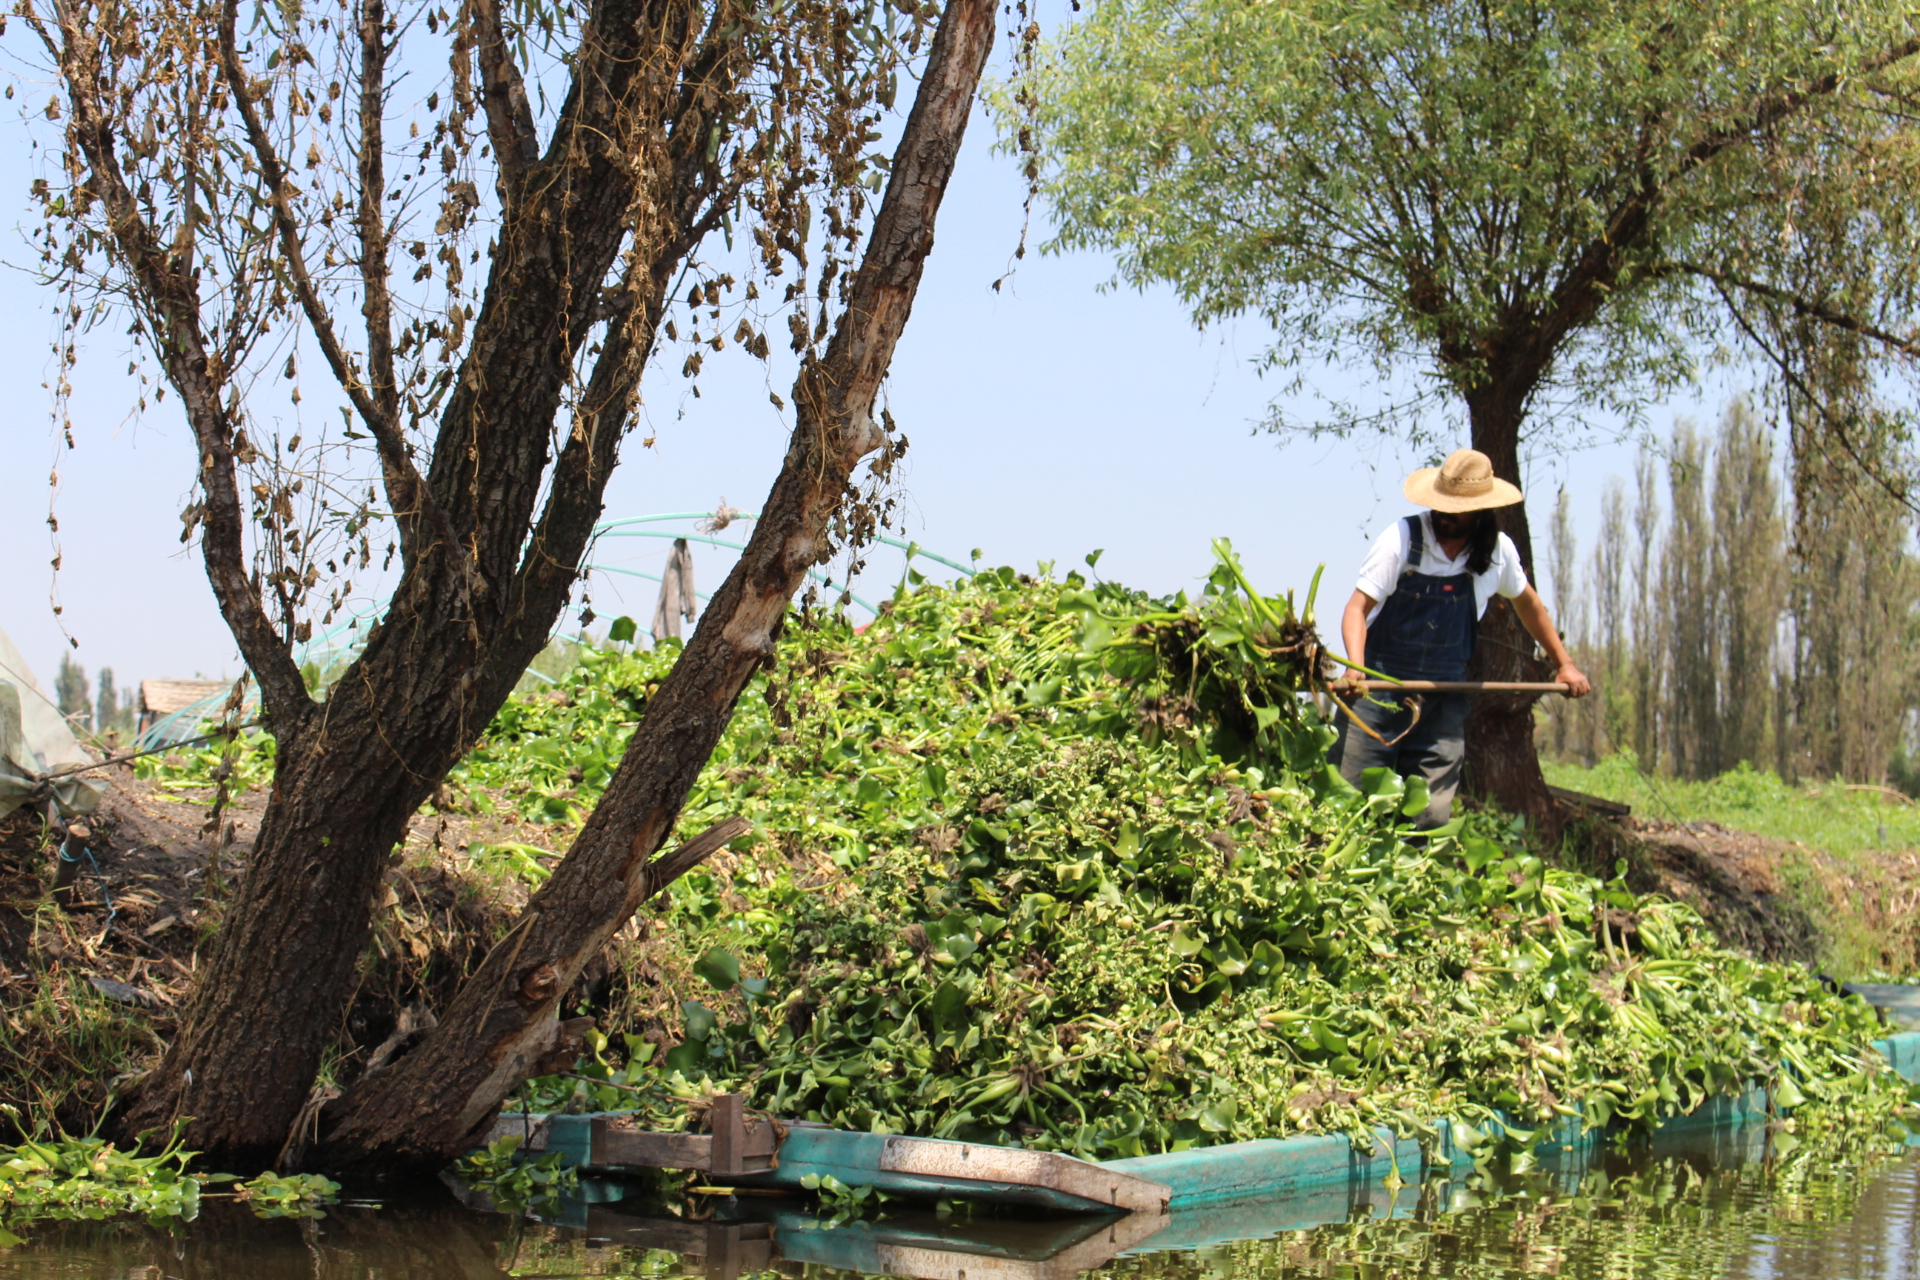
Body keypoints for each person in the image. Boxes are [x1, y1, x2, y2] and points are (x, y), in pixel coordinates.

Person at [1330, 449, 1590, 827]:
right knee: (1349, 802)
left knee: (1430, 815)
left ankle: (1413, 881)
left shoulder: (1498, 553)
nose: (1444, 515)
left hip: (1444, 699)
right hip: (1376, 691)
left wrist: (1563, 664)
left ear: (1481, 512)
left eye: (1455, 510)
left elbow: (1530, 606)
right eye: (1440, 506)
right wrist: (1355, 668)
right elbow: (1357, 609)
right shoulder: (1401, 539)